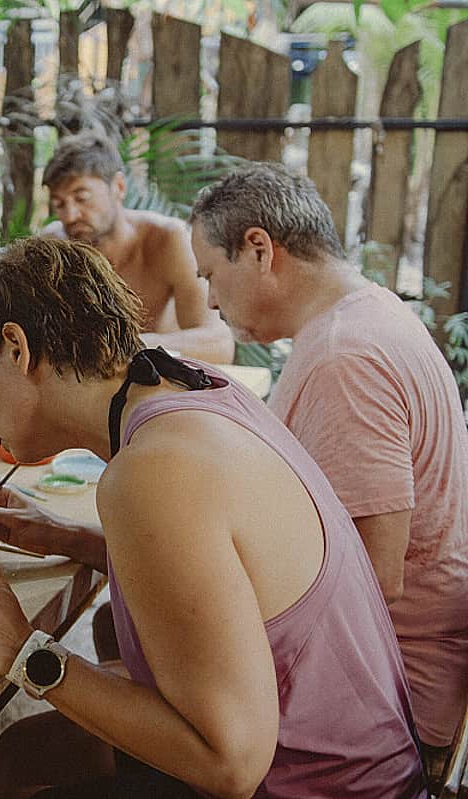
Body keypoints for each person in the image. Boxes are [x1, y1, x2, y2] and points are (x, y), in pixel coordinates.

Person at [0, 237, 425, 797]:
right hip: (375, 764)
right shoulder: (188, 385)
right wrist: (64, 535)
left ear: (17, 347)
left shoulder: (152, 470)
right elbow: (216, 569)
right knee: (28, 751)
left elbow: (231, 765)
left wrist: (22, 650)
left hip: (318, 786)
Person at [191, 162, 468, 777]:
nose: (209, 299)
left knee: (45, 741)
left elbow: (374, 576)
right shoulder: (367, 315)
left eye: (210, 273)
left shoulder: (346, 358)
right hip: (381, 665)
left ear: (259, 249)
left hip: (389, 699)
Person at [41, 130, 233, 364]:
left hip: (156, 375)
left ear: (119, 187)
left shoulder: (168, 239)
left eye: (82, 198)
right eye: (60, 204)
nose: (70, 216)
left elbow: (219, 344)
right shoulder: (54, 248)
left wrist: (130, 346)